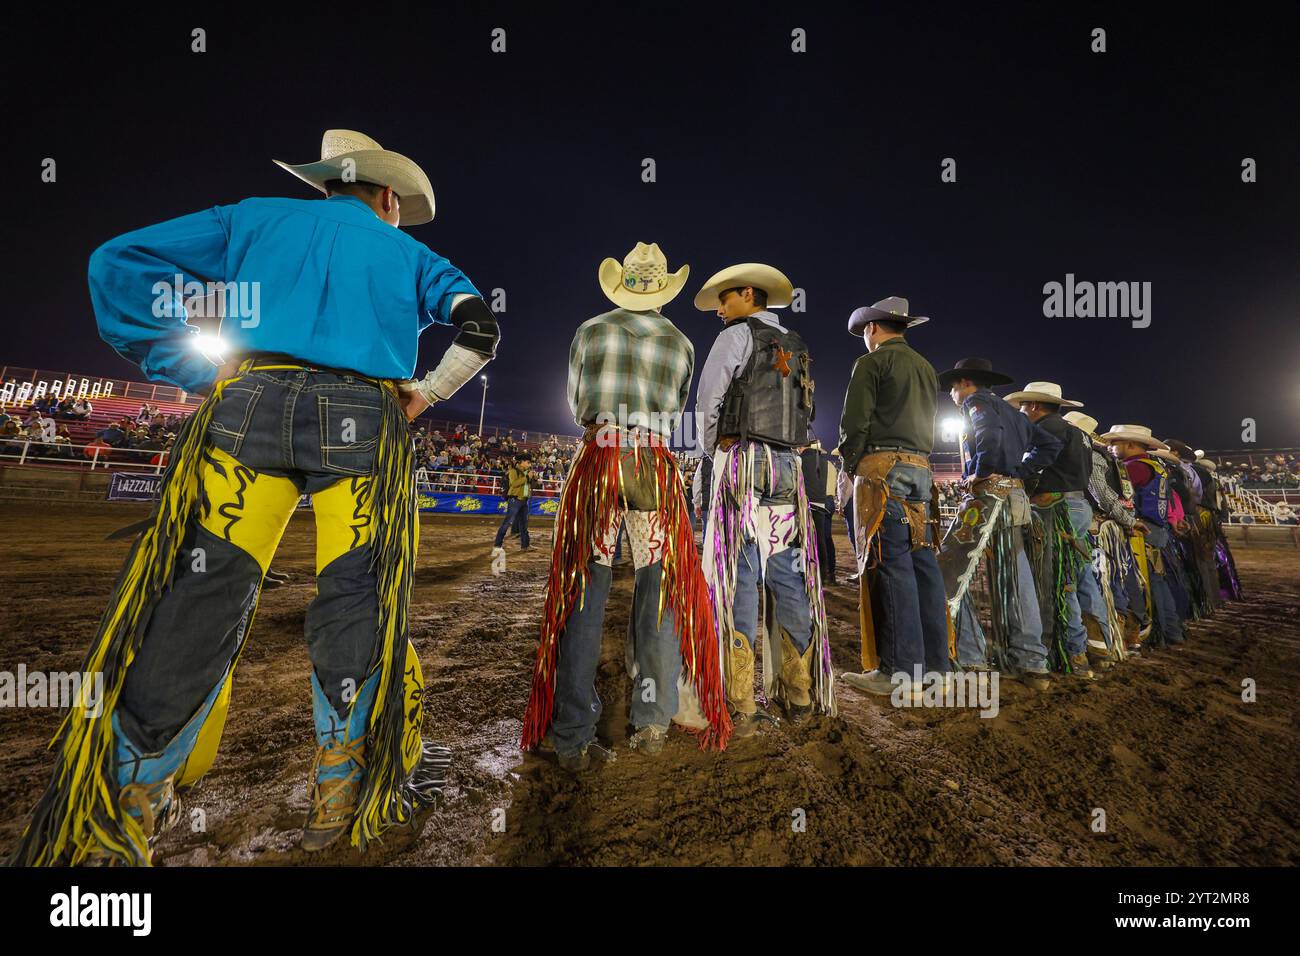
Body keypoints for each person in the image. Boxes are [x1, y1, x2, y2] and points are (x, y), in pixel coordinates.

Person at [11, 129, 499, 866]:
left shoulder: (254, 218)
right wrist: (425, 395)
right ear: (388, 198)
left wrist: (182, 363)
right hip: (363, 418)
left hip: (249, 406)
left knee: (202, 592)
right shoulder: (410, 254)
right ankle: (342, 787)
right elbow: (479, 327)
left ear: (326, 186)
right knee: (358, 590)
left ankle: (128, 800)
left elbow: (114, 261)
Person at [521, 242, 729, 771]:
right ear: (664, 289)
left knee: (584, 590)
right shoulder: (680, 343)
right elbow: (677, 406)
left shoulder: (590, 331)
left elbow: (576, 405)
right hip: (653, 466)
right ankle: (653, 721)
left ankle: (572, 734)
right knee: (659, 591)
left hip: (600, 458)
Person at [694, 262, 834, 735]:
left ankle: (741, 701)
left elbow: (708, 402)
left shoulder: (736, 336)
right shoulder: (796, 345)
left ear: (748, 294)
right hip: (787, 470)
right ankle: (799, 694)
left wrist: (714, 455)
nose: (719, 308)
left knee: (740, 575)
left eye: (725, 297)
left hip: (743, 463)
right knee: (789, 576)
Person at [838, 297, 949, 700]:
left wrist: (852, 468)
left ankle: (902, 672)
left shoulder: (871, 363)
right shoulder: (924, 367)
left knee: (891, 567)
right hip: (921, 468)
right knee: (923, 568)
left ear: (872, 329)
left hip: (882, 469)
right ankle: (938, 666)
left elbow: (855, 421)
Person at [936, 358, 1059, 689]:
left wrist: (983, 469)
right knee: (1016, 576)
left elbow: (987, 436)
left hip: (988, 499)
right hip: (1015, 497)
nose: (951, 393)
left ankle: (971, 655)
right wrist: (1020, 472)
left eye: (952, 387)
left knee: (950, 573)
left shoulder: (976, 404)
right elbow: (1050, 445)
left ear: (965, 383)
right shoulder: (1014, 414)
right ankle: (1032, 661)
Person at [1004, 381, 1101, 679]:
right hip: (1077, 505)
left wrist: (1015, 473)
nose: (1021, 412)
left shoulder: (1050, 430)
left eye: (1023, 407)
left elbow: (1036, 462)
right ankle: (1088, 647)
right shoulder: (1079, 435)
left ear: (1034, 406)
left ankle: (1072, 652)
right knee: (1072, 577)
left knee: (1056, 580)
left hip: (1055, 509)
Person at [1064, 411, 1146, 662]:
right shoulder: (1111, 459)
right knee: (1117, 580)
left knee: (1100, 582)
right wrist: (1128, 519)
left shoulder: (1089, 455)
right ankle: (1122, 639)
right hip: (1112, 528)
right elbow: (1122, 496)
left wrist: (1126, 520)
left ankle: (1107, 642)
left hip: (1098, 528)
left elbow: (1100, 492)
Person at [1100, 425, 1186, 649]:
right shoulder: (1156, 466)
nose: (1111, 447)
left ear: (1130, 445)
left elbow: (1115, 495)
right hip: (1157, 529)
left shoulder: (1133, 468)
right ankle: (1171, 631)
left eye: (1115, 443)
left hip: (1141, 531)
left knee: (1137, 583)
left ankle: (1144, 631)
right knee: (1157, 582)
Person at [492, 453, 533, 561]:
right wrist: (527, 477)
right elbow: (514, 484)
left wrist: (533, 479)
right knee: (507, 522)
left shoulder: (526, 472)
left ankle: (525, 545)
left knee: (524, 525)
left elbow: (528, 486)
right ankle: (497, 545)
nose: (529, 464)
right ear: (522, 462)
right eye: (528, 462)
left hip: (524, 500)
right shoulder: (513, 471)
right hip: (515, 500)